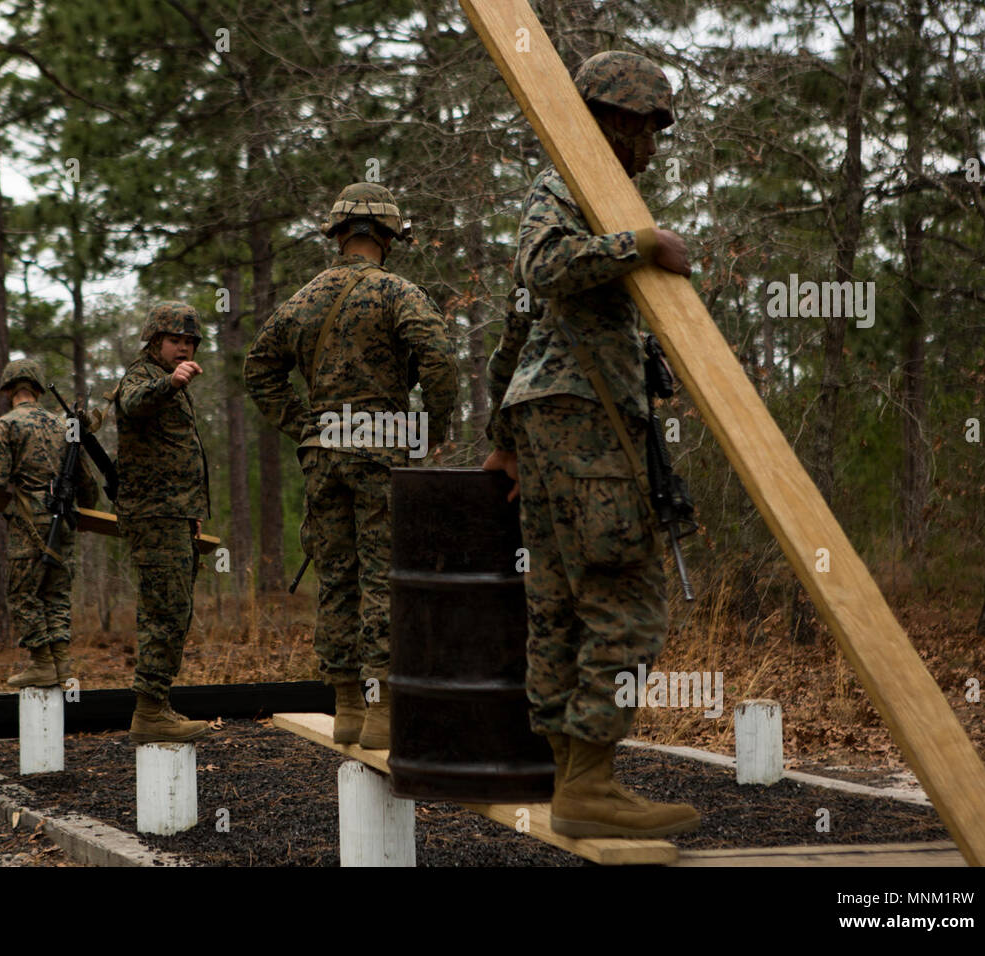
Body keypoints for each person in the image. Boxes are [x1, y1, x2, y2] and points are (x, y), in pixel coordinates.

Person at [483, 51, 700, 837]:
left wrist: (504, 436)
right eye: (651, 127)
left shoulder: (596, 193)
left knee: (561, 603)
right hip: (581, 421)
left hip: (552, 421)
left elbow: (518, 326)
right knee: (626, 600)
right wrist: (641, 246)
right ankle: (591, 783)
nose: (654, 144)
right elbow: (539, 271)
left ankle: (577, 782)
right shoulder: (574, 185)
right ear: (622, 118)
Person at [244, 183, 458, 748]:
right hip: (383, 447)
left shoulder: (303, 299)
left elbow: (259, 369)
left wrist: (305, 425)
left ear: (338, 234)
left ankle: (344, 705)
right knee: (384, 572)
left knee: (336, 577)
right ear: (388, 236)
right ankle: (383, 708)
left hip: (323, 456)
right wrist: (429, 431)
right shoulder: (397, 293)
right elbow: (438, 358)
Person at [115, 302, 212, 744]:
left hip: (174, 514)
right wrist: (168, 384)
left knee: (175, 609)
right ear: (155, 342)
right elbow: (132, 403)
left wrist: (192, 513)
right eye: (177, 341)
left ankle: (157, 705)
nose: (184, 348)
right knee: (163, 610)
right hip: (153, 515)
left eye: (189, 342)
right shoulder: (142, 378)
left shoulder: (173, 385)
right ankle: (150, 711)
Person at [0, 359, 98, 688]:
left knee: (23, 594)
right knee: (56, 595)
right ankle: (62, 664)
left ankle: (42, 662)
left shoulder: (6, 426)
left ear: (8, 390)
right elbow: (89, 487)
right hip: (65, 522)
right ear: (39, 389)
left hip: (29, 524)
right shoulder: (64, 427)